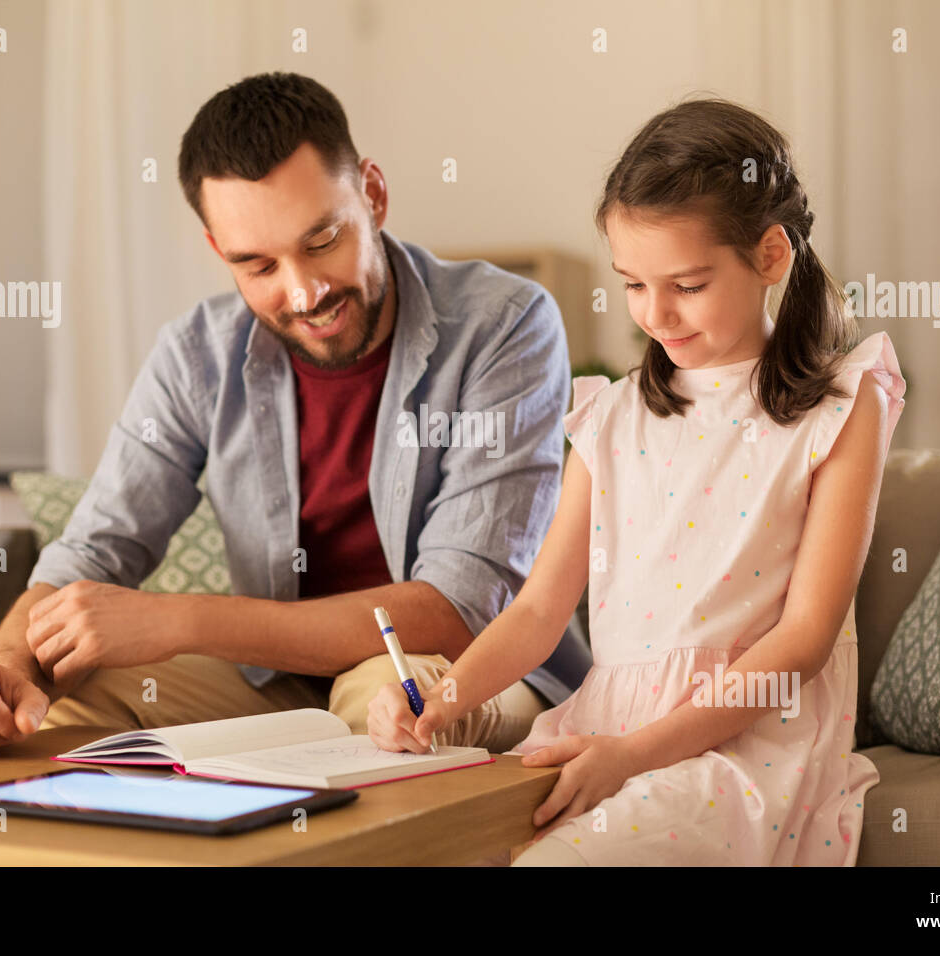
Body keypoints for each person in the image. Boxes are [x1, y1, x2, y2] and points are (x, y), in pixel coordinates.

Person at [0, 71, 591, 759]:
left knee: (390, 702)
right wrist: (3, 672)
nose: (303, 293)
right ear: (219, 252)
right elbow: (92, 551)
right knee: (61, 708)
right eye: (257, 265)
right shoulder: (195, 355)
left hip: (468, 668)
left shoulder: (504, 325)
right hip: (276, 680)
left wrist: (182, 620)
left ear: (374, 195)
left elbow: (453, 614)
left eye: (323, 240)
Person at [367, 97, 906, 866]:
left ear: (770, 257)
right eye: (632, 284)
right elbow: (541, 609)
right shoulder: (611, 415)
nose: (656, 314)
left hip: (741, 749)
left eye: (686, 285)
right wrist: (442, 699)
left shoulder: (839, 408)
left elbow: (803, 640)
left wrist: (637, 755)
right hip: (604, 731)